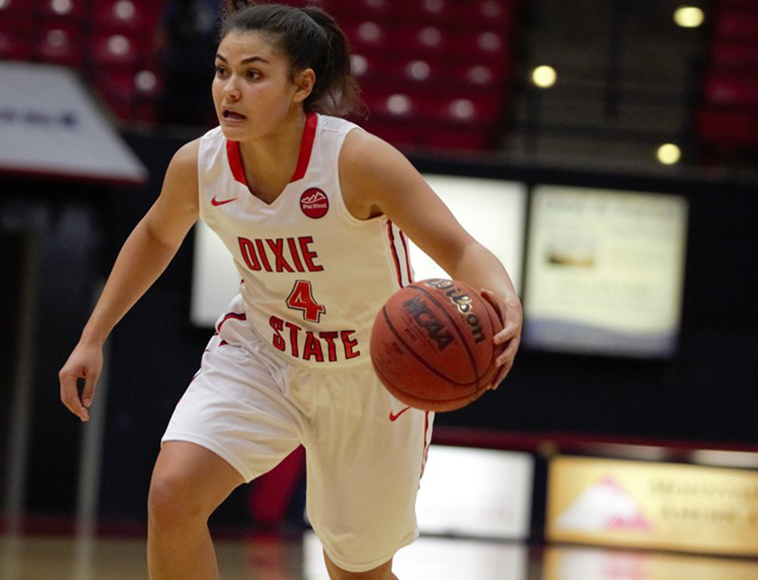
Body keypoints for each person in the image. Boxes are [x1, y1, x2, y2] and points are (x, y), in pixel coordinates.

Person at [58, 3, 522, 579]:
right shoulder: (199, 164)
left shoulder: (356, 160)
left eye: (253, 74)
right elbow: (155, 234)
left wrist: (503, 296)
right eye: (222, 71)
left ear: (301, 85)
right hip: (265, 351)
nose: (230, 89)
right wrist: (93, 336)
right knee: (173, 495)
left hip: (371, 371)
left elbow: (460, 248)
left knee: (356, 572)